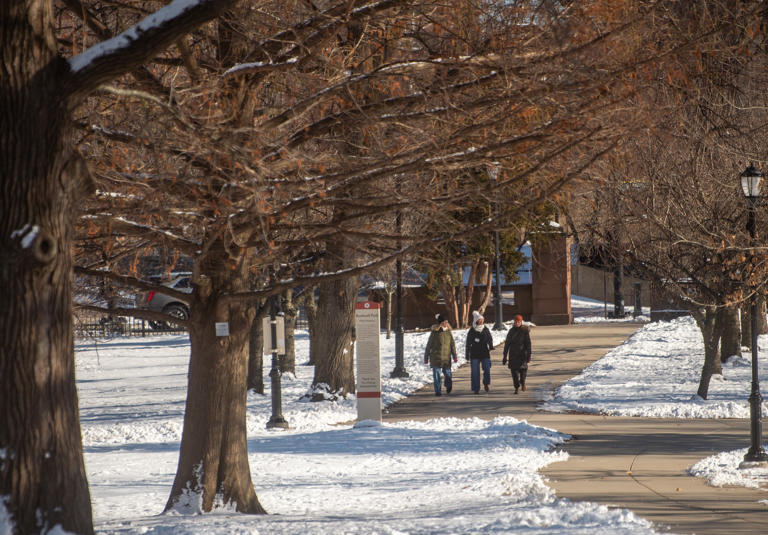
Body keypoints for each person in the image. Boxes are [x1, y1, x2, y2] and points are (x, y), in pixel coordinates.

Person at [424, 314, 458, 396]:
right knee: (436, 375)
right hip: (436, 357)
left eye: (447, 322)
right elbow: (429, 345)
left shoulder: (448, 332)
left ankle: (448, 385)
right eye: (444, 322)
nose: (446, 323)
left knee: (448, 374)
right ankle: (438, 391)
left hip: (446, 358)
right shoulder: (435, 332)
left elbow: (452, 345)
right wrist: (426, 357)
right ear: (440, 323)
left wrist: (454, 356)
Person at [465, 310, 494, 394]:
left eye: (482, 319)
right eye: (479, 319)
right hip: (474, 353)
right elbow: (468, 343)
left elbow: (490, 338)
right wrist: (467, 354)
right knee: (475, 372)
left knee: (487, 369)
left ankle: (486, 383)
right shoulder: (472, 331)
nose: (481, 321)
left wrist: (491, 346)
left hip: (485, 352)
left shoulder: (485, 329)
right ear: (476, 321)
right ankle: (476, 388)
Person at [502, 314, 531, 394]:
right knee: (514, 373)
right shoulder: (511, 331)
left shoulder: (525, 331)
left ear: (521, 322)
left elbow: (528, 344)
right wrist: (505, 356)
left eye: (519, 321)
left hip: (522, 354)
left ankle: (523, 382)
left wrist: (528, 355)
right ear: (514, 322)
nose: (517, 323)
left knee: (523, 372)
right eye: (516, 321)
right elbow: (507, 344)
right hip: (513, 355)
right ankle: (517, 387)